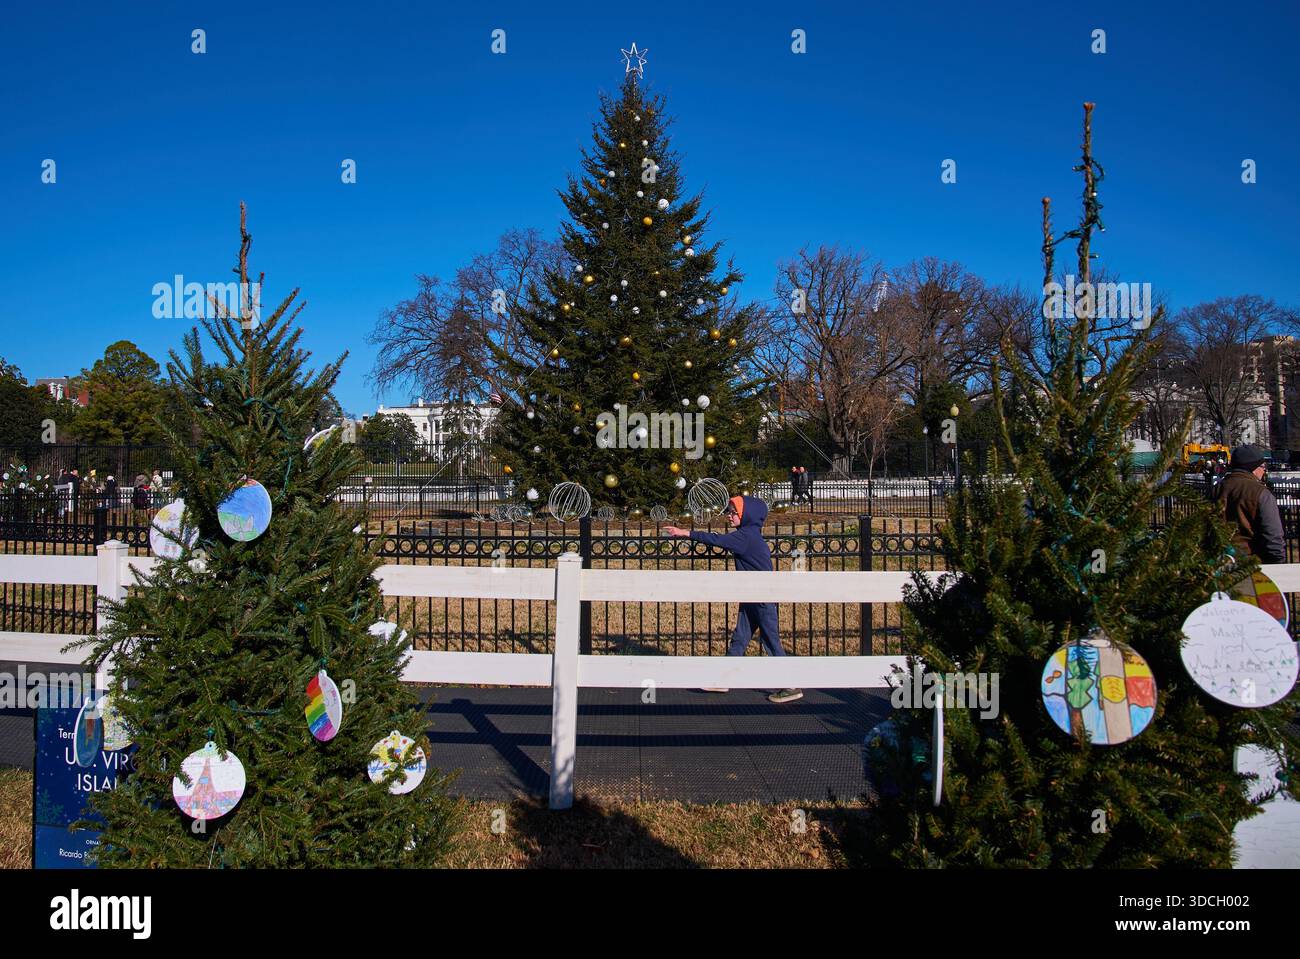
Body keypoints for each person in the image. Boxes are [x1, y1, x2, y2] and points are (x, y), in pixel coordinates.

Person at [664, 495, 802, 703]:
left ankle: (789, 685)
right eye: (729, 511)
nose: (729, 515)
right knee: (740, 637)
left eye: (734, 512)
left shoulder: (745, 537)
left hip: (762, 598)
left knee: (770, 640)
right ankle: (723, 678)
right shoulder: (748, 534)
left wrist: (684, 532)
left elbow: (716, 540)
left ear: (747, 515)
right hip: (752, 596)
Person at [1215, 444, 1285, 563]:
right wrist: (1278, 563)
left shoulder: (1215, 490)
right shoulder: (1260, 493)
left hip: (1217, 563)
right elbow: (1273, 535)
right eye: (1263, 467)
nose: (1264, 471)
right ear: (1254, 468)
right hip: (1250, 563)